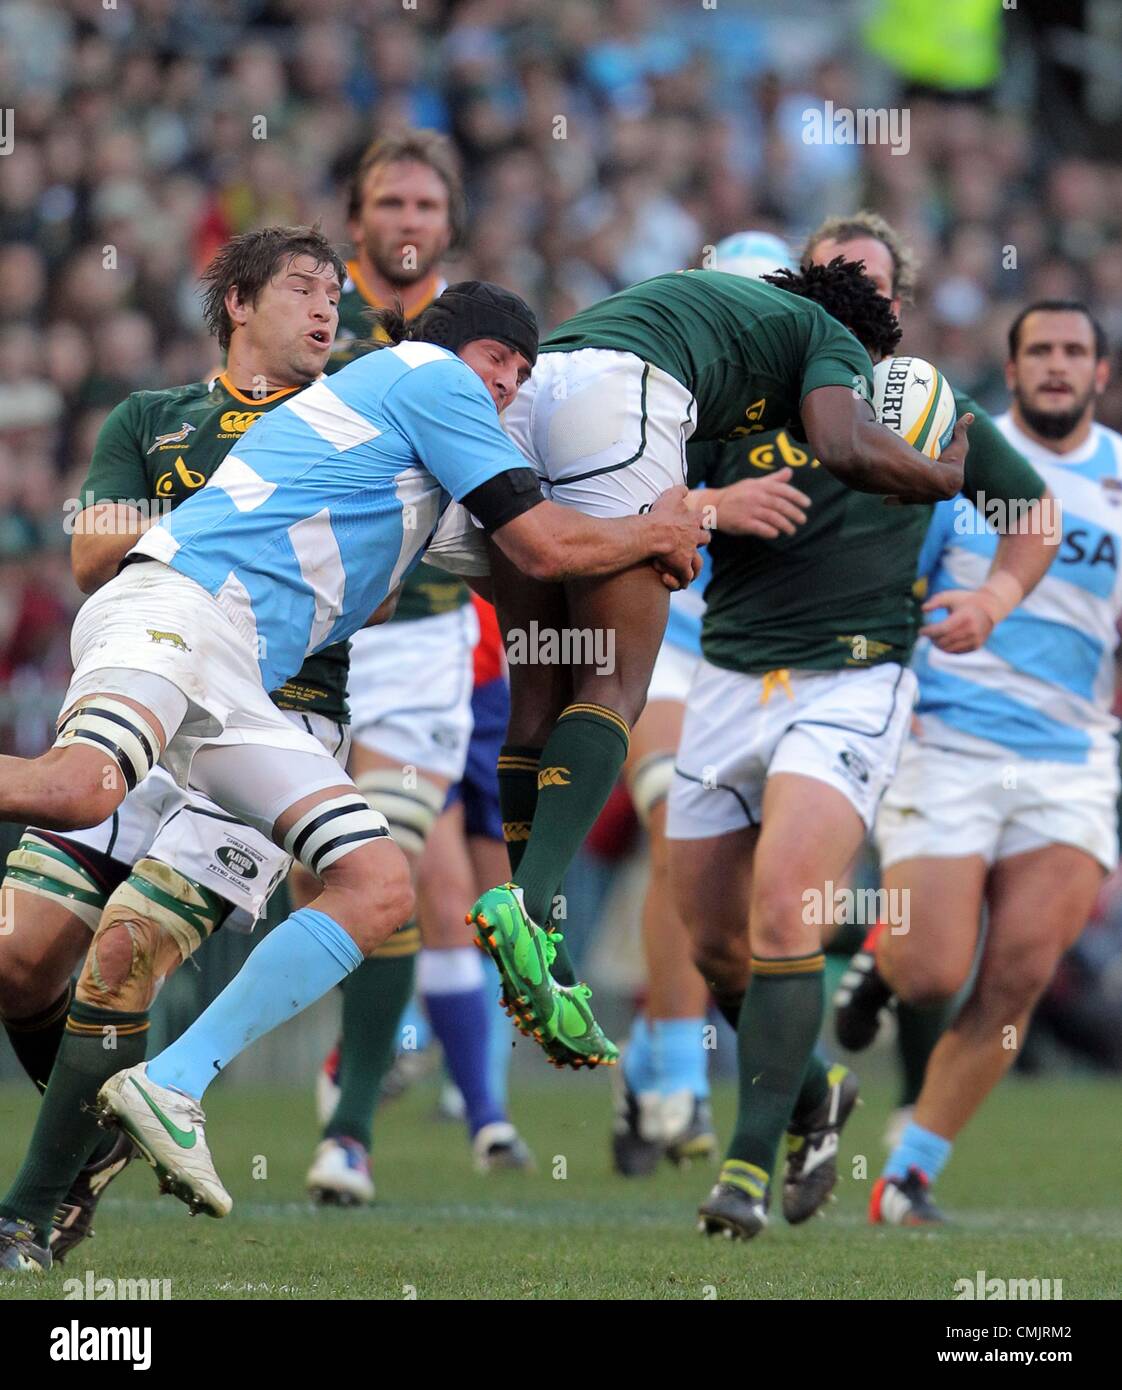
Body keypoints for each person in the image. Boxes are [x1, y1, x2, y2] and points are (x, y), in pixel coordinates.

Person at [0, 277, 706, 1267]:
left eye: (522, 376)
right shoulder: (426, 375)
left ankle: (167, 1088)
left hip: (250, 686)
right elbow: (546, 542)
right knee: (79, 795)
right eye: (506, 364)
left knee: (379, 887)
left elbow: (519, 560)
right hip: (180, 611)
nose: (512, 390)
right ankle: (51, 1190)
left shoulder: (403, 449)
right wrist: (662, 528)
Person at [471, 258, 973, 1072]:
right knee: (613, 678)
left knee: (541, 686)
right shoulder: (832, 338)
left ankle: (546, 952)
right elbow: (844, 446)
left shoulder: (723, 327)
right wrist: (943, 476)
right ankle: (529, 910)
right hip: (620, 397)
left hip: (528, 394)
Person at [666, 239, 1057, 1241]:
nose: (854, 289)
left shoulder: (924, 406)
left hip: (853, 681)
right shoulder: (736, 401)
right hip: (725, 679)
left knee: (787, 906)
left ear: (890, 303)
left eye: (872, 276)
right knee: (714, 940)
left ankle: (744, 1175)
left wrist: (994, 598)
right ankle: (813, 1095)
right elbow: (652, 512)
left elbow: (1030, 511)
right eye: (837, 271)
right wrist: (714, 506)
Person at [0, 226, 357, 1273]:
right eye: (302, 287)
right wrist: (234, 494)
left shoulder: (348, 426)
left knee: (122, 951)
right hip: (146, 686)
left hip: (277, 717)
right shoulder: (155, 419)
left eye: (336, 293)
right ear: (238, 303)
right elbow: (92, 553)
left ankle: (26, 1212)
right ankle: (103, 1122)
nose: (327, 308)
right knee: (19, 956)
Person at [835, 300, 1119, 1224]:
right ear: (1014, 363)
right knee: (930, 975)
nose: (1057, 364)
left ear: (1100, 374)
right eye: (1040, 349)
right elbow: (886, 581)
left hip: (1071, 758)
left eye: (1075, 351)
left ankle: (908, 1174)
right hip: (948, 740)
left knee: (1021, 974)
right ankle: (884, 950)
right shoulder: (957, 450)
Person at [305, 130, 531, 1202]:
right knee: (320, 874)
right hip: (309, 630)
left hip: (434, 639)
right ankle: (357, 1053)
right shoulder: (311, 319)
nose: (407, 221)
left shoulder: (488, 340)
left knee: (425, 878)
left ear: (449, 223)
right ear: (358, 222)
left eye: (426, 206)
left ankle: (396, 1118)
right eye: (389, 202)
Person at [611, 232, 800, 1176]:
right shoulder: (659, 388)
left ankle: (650, 1054)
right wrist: (718, 509)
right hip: (667, 647)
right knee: (673, 825)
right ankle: (678, 1079)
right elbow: (629, 515)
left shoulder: (814, 400)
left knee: (739, 879)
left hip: (766, 663)